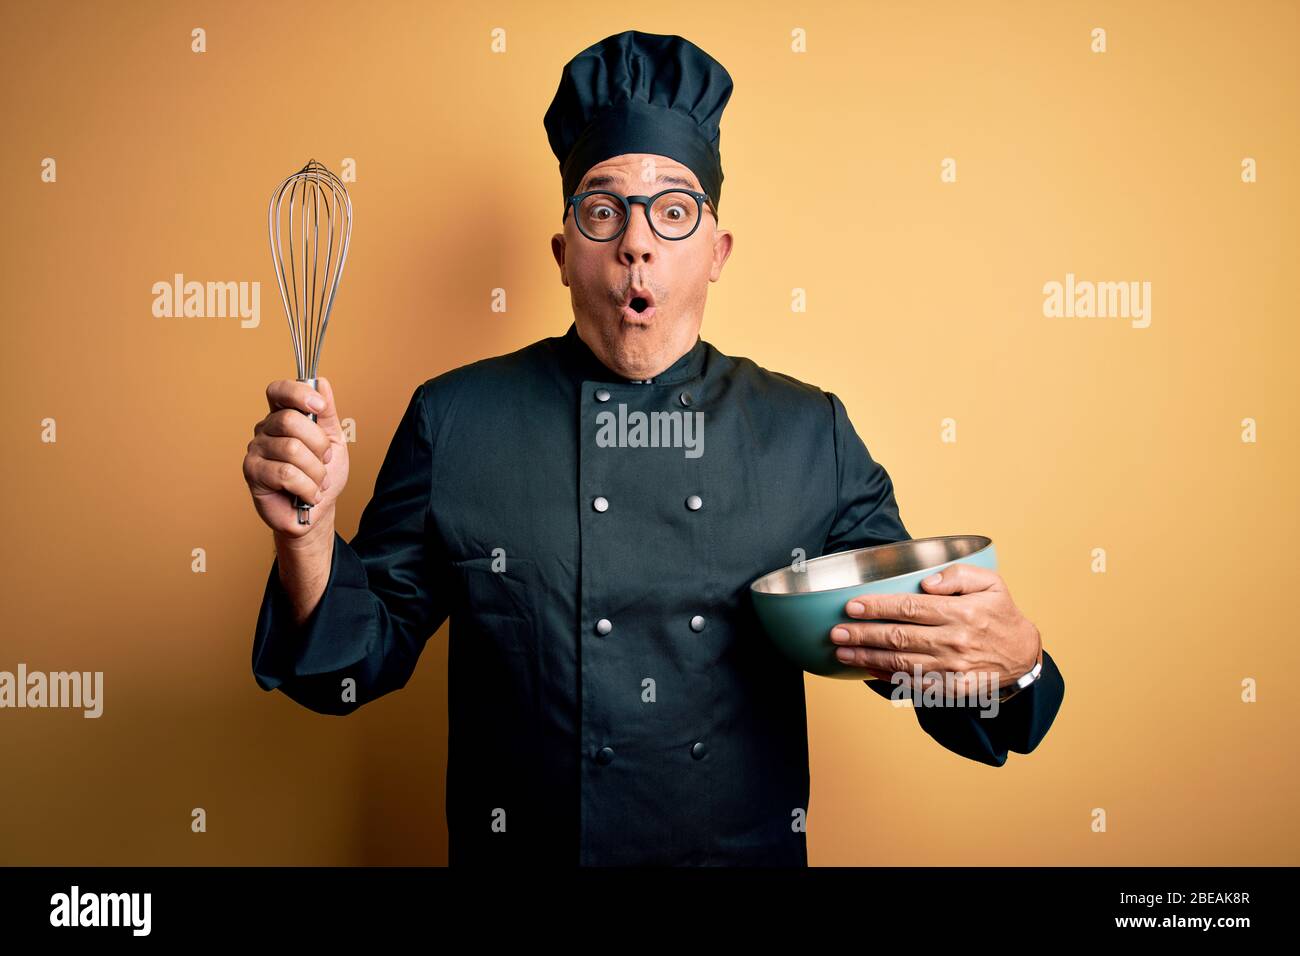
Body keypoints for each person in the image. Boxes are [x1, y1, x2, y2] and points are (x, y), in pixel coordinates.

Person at [242, 30, 1064, 867]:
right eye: (603, 210)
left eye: (673, 211)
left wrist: (1013, 665)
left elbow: (912, 658)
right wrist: (306, 540)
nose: (636, 241)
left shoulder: (805, 432)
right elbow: (349, 669)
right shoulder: (456, 420)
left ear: (717, 253)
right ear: (565, 254)